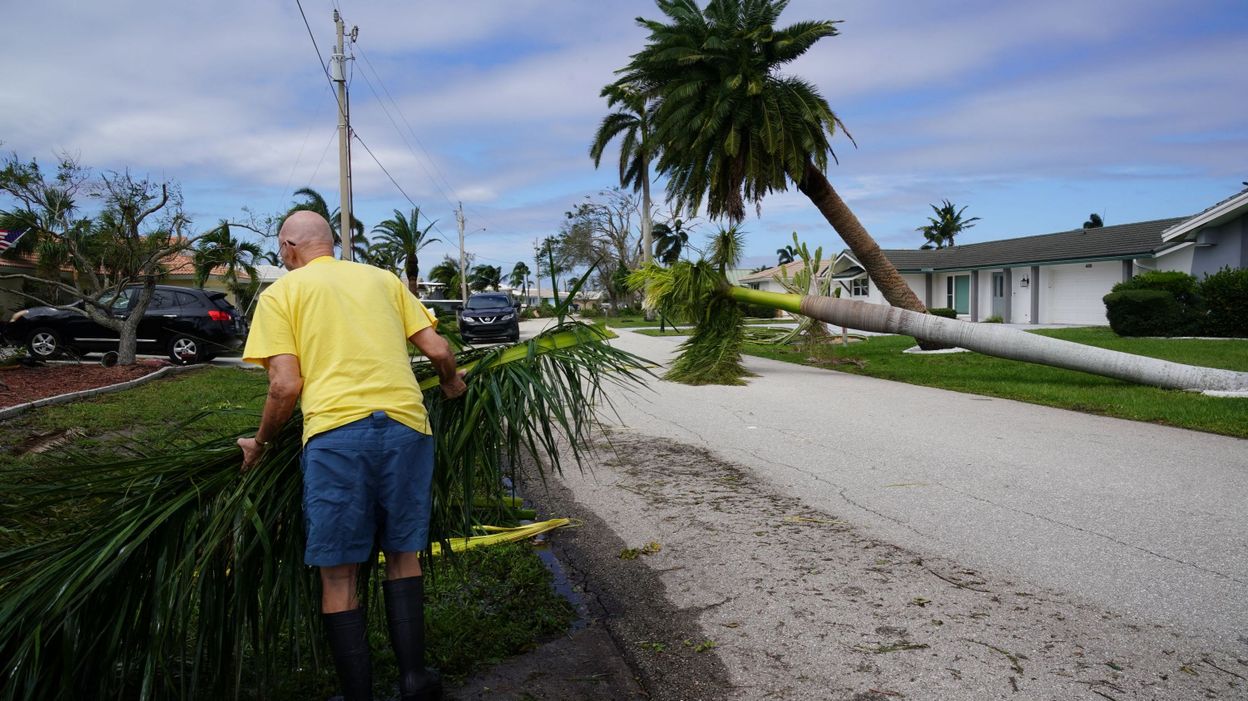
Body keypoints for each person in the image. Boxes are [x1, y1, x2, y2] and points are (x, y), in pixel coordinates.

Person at [238, 211, 465, 701]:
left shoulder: (282, 293)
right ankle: (413, 680)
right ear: (331, 243)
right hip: (407, 428)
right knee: (403, 557)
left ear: (289, 246)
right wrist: (450, 383)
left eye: (281, 250)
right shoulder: (383, 281)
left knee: (339, 573)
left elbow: (284, 386)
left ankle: (358, 694)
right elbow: (440, 350)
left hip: (337, 438)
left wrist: (261, 443)